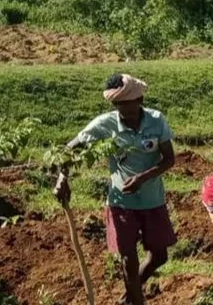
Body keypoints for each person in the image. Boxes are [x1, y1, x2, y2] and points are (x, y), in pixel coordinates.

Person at [54, 74, 176, 305]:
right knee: (128, 258)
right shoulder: (105, 124)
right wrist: (63, 177)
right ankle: (136, 301)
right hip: (121, 203)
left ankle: (128, 298)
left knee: (159, 255)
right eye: (118, 104)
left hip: (152, 200)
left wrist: (142, 178)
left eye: (128, 104)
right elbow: (70, 148)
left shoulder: (156, 120)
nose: (124, 110)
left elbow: (169, 159)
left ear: (139, 100)